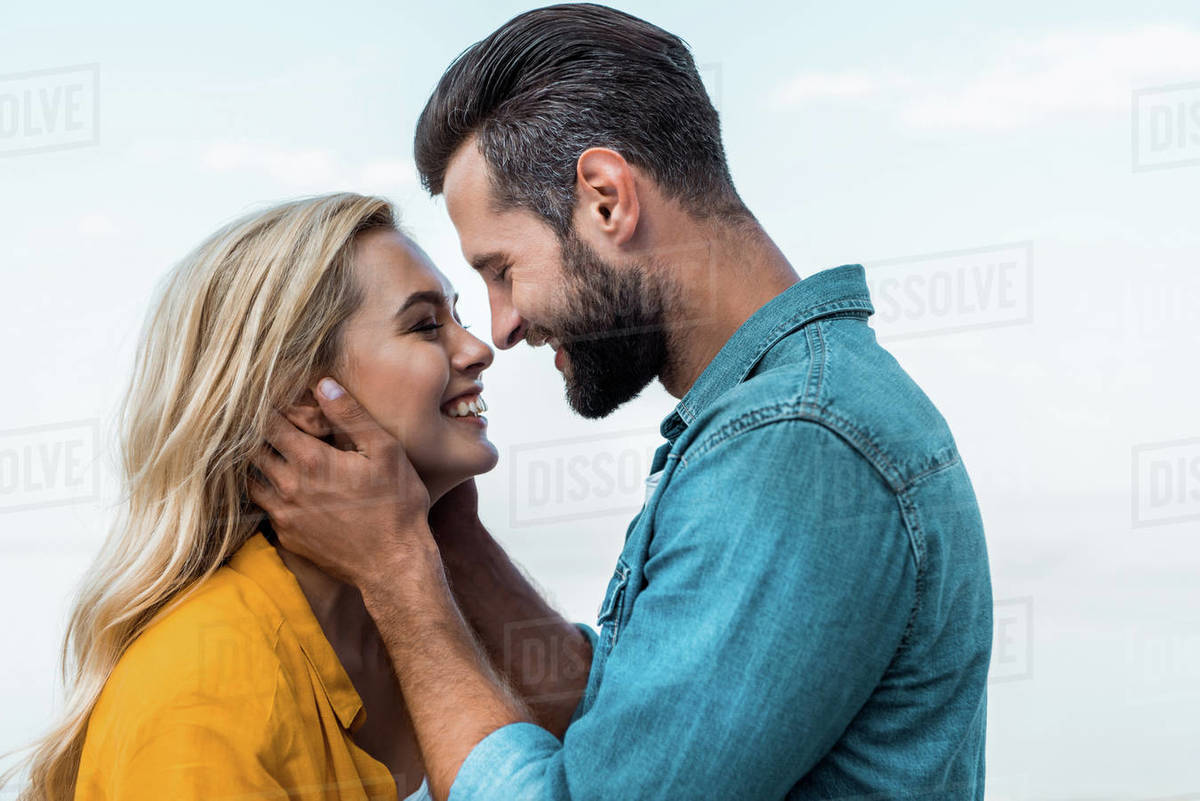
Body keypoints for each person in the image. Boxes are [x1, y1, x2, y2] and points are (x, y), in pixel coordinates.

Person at [254, 4, 994, 801]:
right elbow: (642, 738)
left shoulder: (793, 444)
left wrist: (398, 572)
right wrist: (451, 539)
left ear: (607, 199)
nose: (501, 329)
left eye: (502, 269)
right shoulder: (783, 416)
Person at [5, 193, 501, 800]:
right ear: (303, 399)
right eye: (425, 325)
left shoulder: (417, 632)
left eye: (458, 316)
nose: (480, 349)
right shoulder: (204, 686)